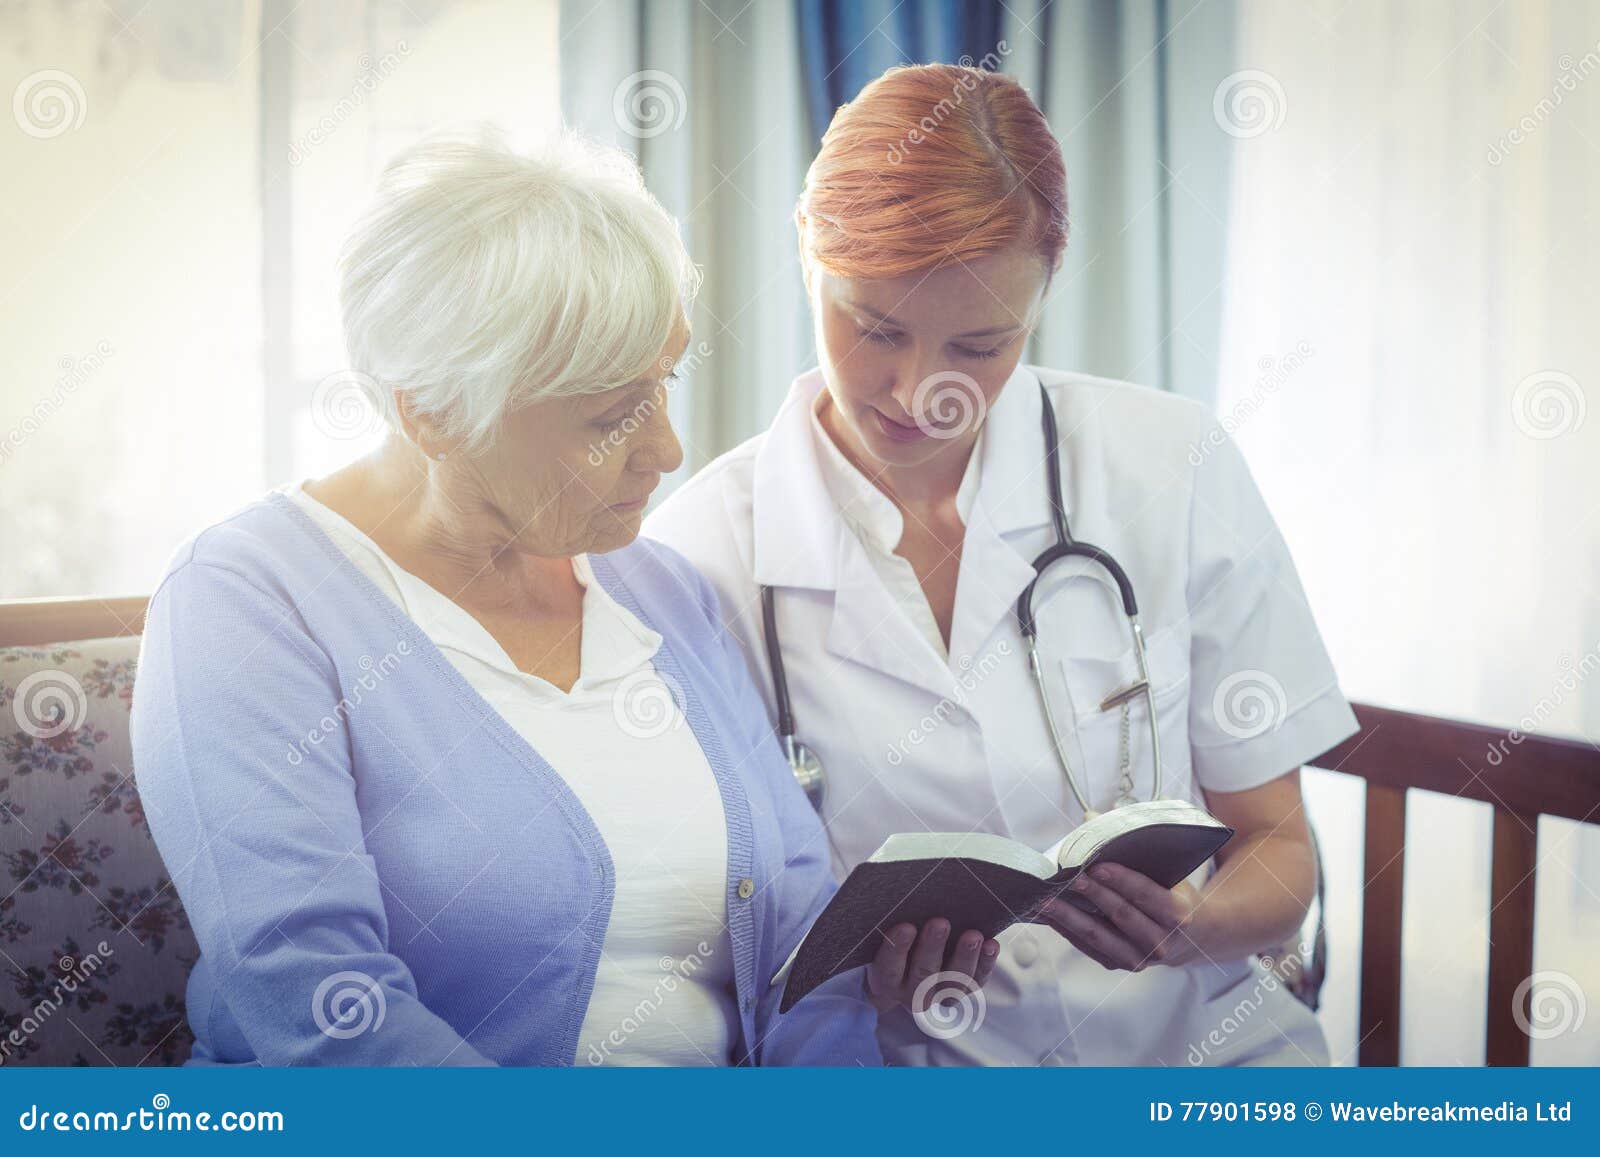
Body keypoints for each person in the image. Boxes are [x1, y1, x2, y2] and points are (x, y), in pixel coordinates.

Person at [129, 127, 995, 1067]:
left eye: (662, 385)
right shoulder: (243, 605)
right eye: (606, 417)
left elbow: (802, 948)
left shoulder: (661, 591)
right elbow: (321, 1007)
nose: (665, 450)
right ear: (433, 410)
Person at [645, 64, 1359, 1066]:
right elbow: (713, 941)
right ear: (809, 254)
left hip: (1203, 1059)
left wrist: (1186, 924)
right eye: (875, 329)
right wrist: (856, 978)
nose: (917, 391)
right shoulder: (702, 550)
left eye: (980, 345)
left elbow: (1281, 853)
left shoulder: (1171, 464)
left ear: (1043, 293)